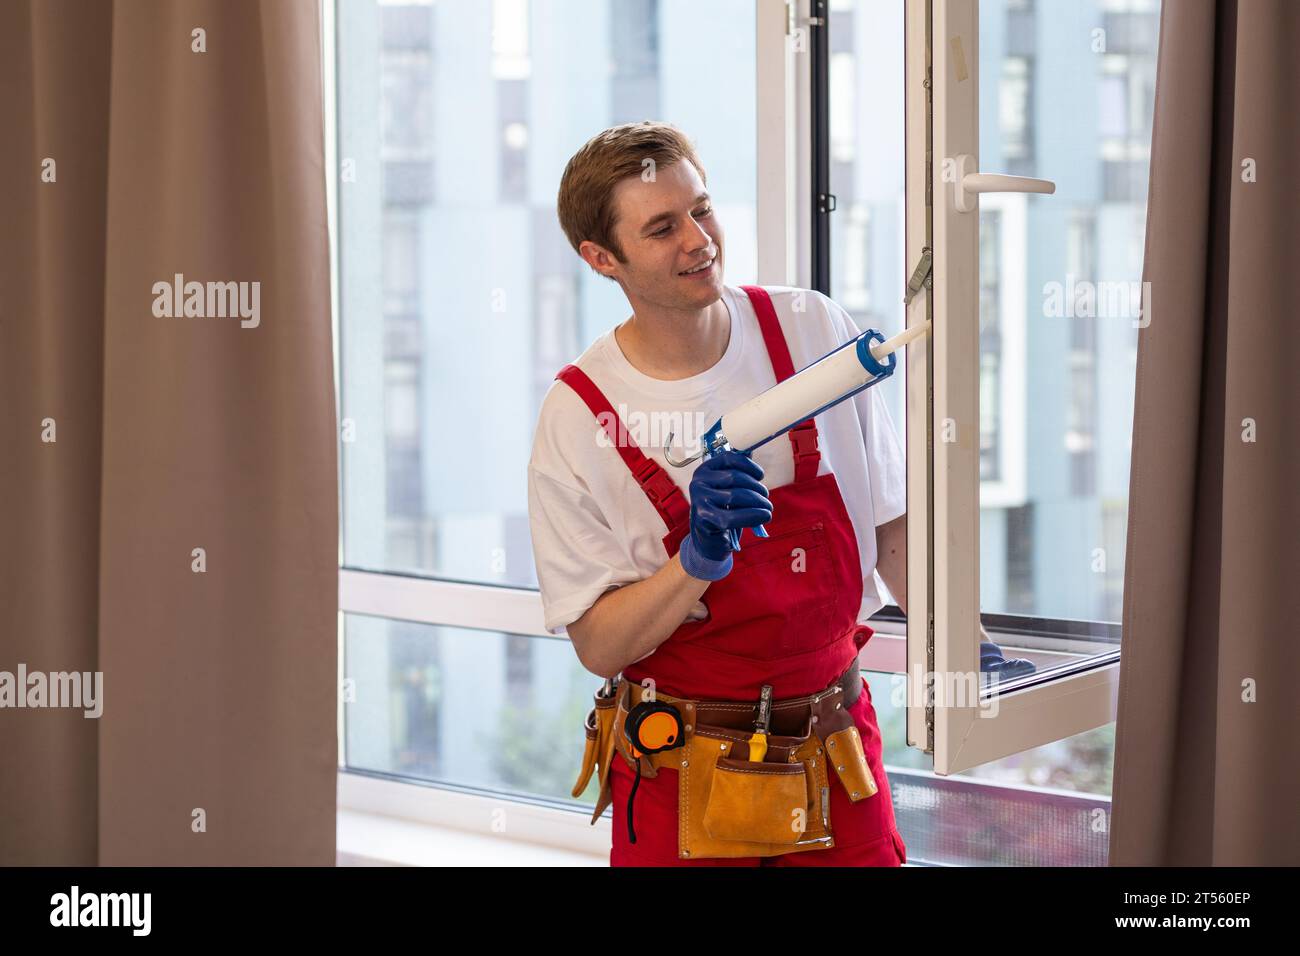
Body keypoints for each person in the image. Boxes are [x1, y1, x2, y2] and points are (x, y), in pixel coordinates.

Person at [527, 121, 1032, 867]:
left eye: (702, 209)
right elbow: (599, 646)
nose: (699, 240)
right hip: (678, 771)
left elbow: (890, 524)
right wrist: (695, 561)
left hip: (833, 754)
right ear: (601, 259)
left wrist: (965, 644)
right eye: (663, 228)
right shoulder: (579, 416)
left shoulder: (809, 333)